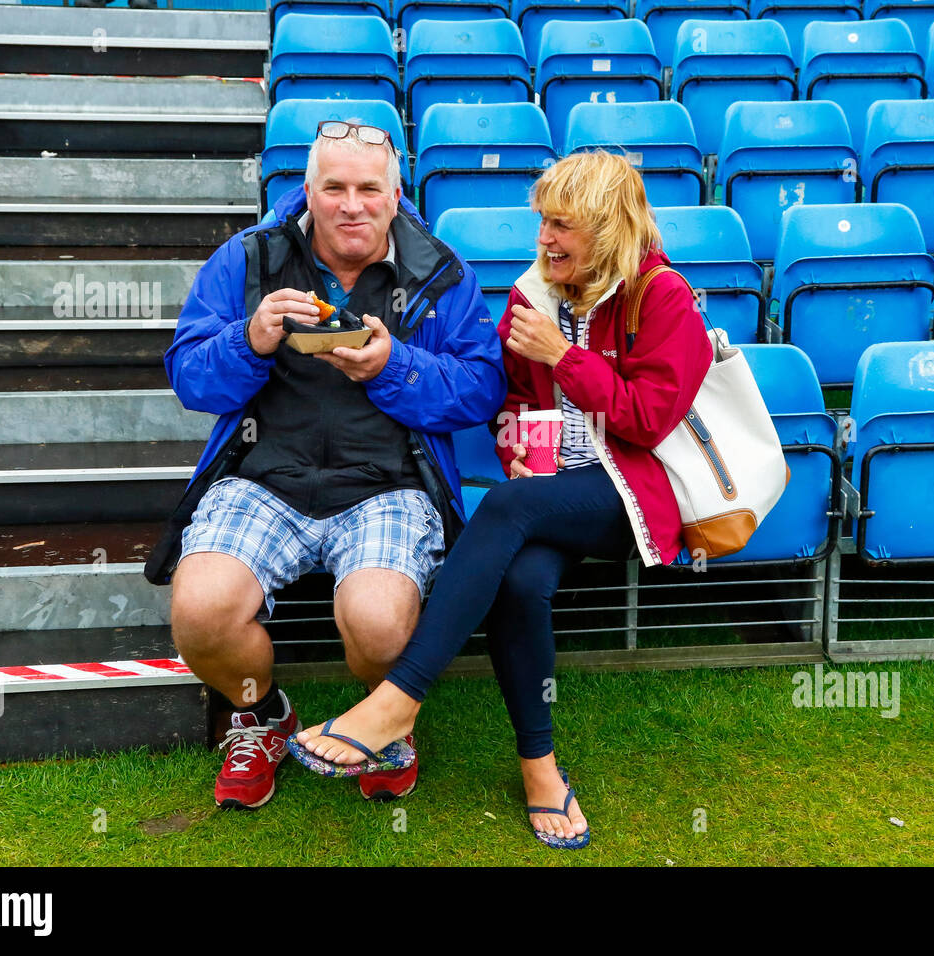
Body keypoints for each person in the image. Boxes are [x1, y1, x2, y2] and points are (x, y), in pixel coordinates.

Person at [288, 151, 712, 847]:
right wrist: (516, 442)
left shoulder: (662, 296)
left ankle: (399, 698)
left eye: (562, 226)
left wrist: (562, 357)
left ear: (608, 228)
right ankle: (540, 766)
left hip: (633, 492)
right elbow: (506, 398)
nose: (545, 238)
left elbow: (648, 420)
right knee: (519, 580)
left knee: (506, 510)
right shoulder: (531, 295)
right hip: (548, 489)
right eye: (542, 222)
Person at [142, 121, 505, 810]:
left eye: (369, 189)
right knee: (200, 611)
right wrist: (248, 339)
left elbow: (482, 388)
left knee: (380, 623)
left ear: (395, 195)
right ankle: (262, 715)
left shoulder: (440, 269)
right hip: (263, 477)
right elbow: (190, 378)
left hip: (389, 481)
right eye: (334, 188)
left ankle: (384, 720)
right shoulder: (249, 258)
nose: (351, 205)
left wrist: (393, 365)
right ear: (308, 192)